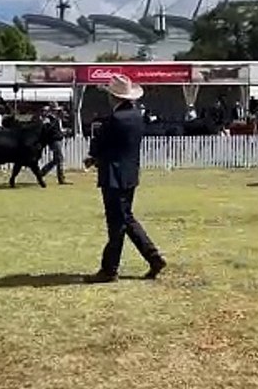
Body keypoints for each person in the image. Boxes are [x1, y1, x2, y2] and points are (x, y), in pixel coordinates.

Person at [83, 74, 166, 283]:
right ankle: (152, 257)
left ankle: (110, 269)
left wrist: (93, 158)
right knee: (125, 218)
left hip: (113, 176)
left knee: (117, 223)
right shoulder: (137, 116)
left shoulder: (113, 120)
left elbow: (100, 145)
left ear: (114, 97)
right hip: (129, 174)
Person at [40, 102, 68, 185]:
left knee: (56, 160)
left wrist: (64, 132)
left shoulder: (57, 119)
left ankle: (42, 172)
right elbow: (46, 127)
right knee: (60, 158)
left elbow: (59, 129)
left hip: (58, 139)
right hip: (54, 140)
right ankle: (61, 179)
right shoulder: (49, 119)